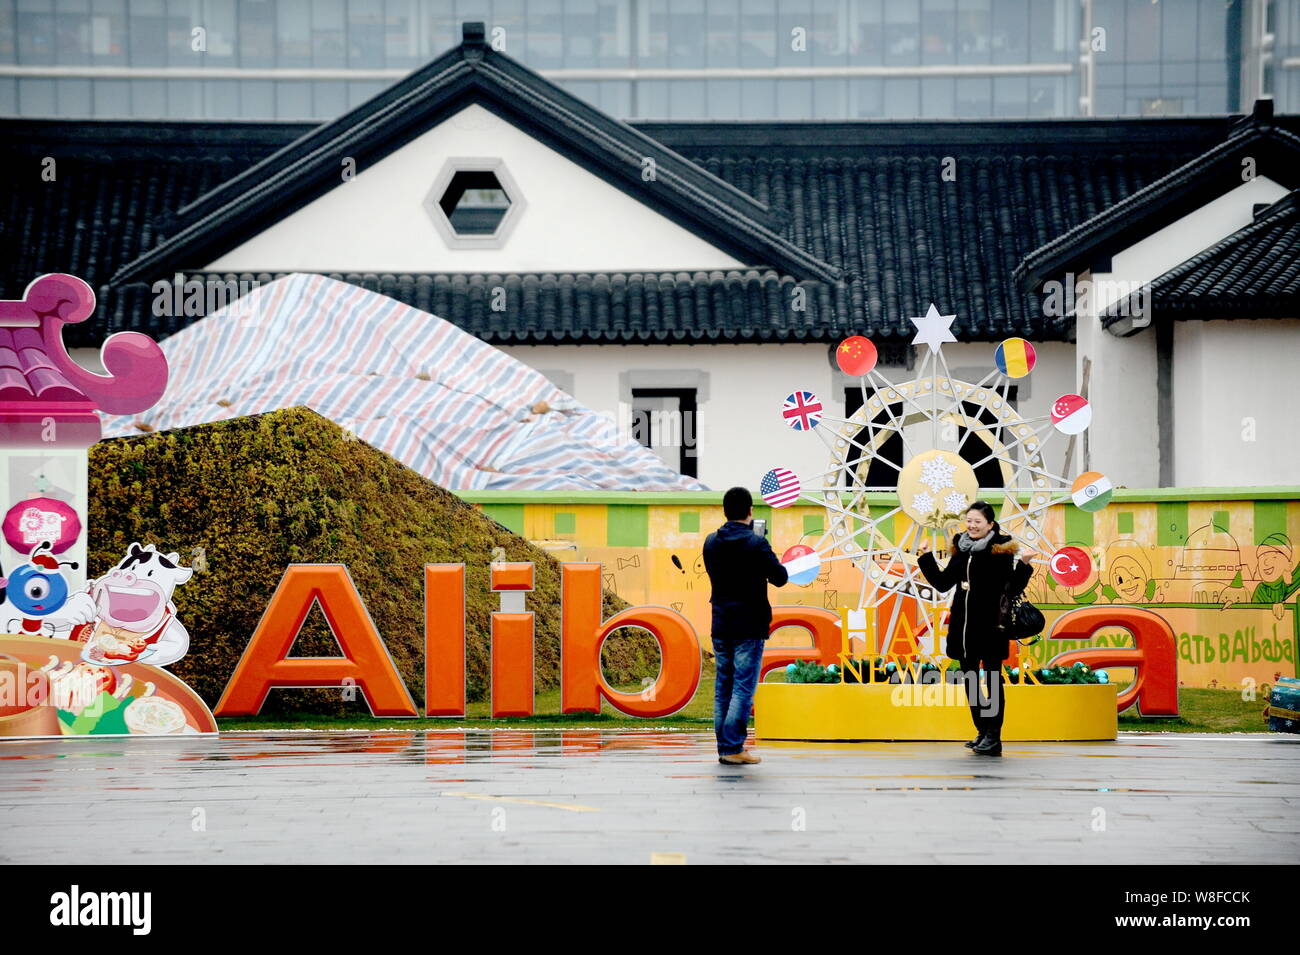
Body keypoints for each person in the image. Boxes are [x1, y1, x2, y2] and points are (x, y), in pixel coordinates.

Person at [916, 501, 1035, 757]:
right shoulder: (961, 546)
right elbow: (943, 583)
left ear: (990, 524)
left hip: (991, 625)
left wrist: (1024, 564)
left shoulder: (1001, 549)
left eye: (977, 522)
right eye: (969, 520)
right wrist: (925, 557)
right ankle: (982, 730)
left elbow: (1012, 588)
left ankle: (994, 736)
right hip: (963, 627)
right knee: (970, 680)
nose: (971, 526)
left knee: (992, 680)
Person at [702, 486, 789, 765]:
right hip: (749, 625)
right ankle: (733, 748)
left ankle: (725, 747)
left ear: (725, 511)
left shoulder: (711, 542)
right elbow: (780, 577)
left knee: (723, 687)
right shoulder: (756, 543)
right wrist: (762, 545)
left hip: (721, 622)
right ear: (750, 511)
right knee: (742, 688)